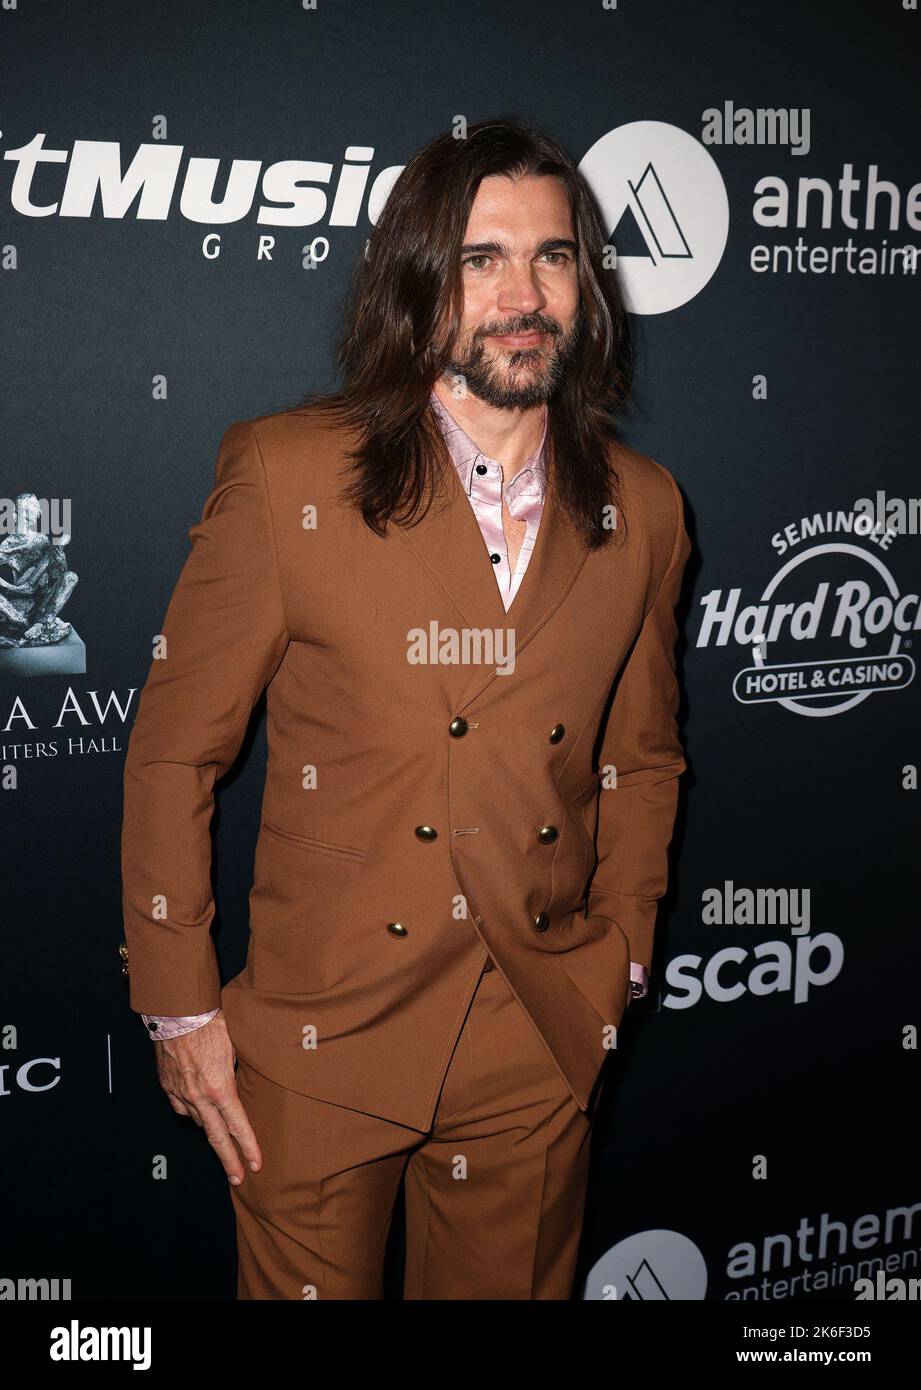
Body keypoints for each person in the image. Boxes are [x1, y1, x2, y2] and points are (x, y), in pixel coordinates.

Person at [120, 115, 692, 1300]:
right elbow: (176, 753)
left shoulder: (644, 507)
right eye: (481, 259)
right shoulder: (291, 476)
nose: (521, 294)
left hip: (535, 1032)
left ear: (587, 286)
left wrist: (624, 952)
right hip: (324, 1041)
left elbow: (642, 756)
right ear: (418, 281)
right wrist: (180, 1006)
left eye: (552, 256)